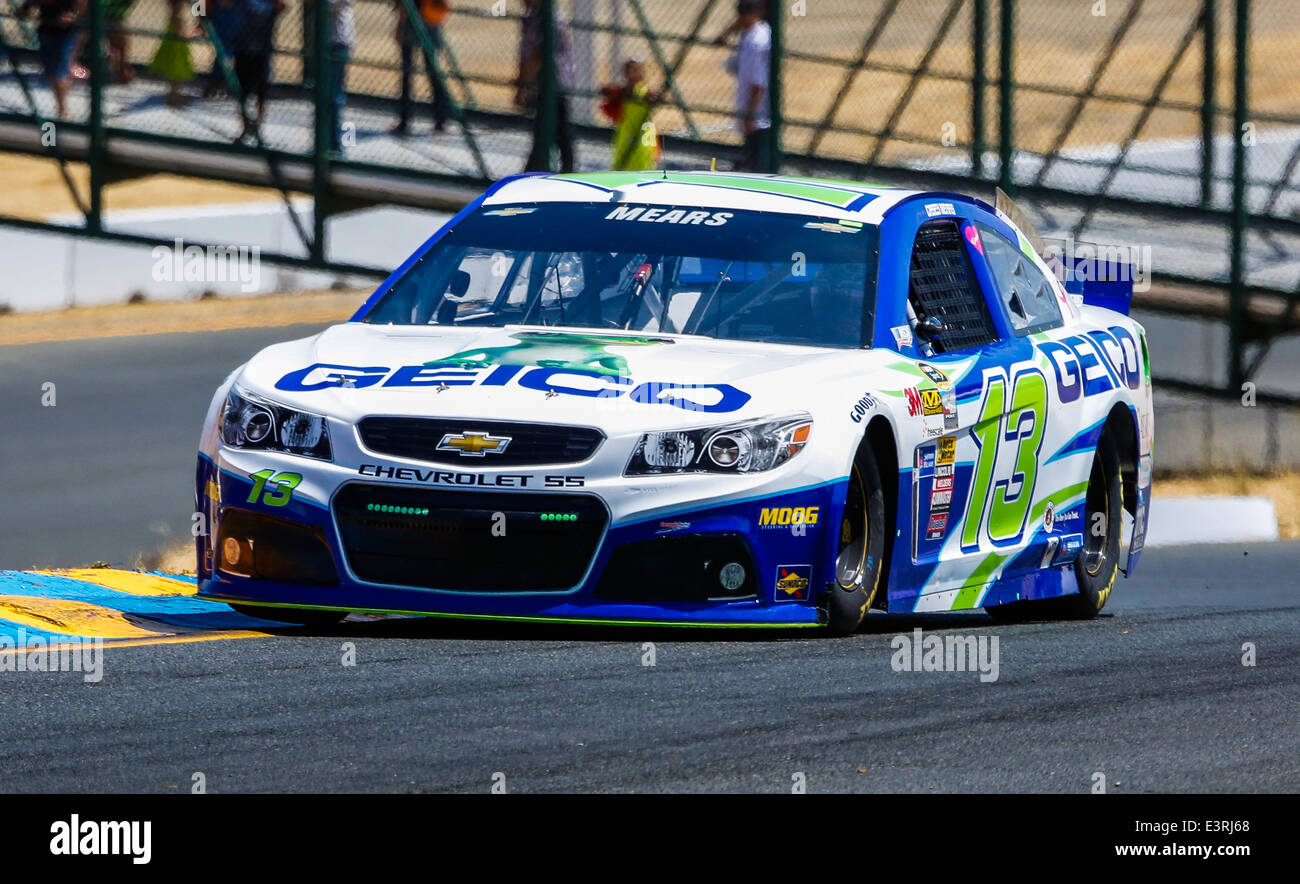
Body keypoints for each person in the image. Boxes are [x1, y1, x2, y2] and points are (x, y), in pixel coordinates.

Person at [515, 0, 574, 173]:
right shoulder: (531, 17)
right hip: (542, 84)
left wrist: (525, 86)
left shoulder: (548, 19)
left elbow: (537, 55)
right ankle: (533, 172)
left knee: (558, 131)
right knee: (546, 131)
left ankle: (564, 172)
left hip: (553, 83)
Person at [714, 0, 770, 172]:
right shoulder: (754, 33)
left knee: (757, 163)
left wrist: (750, 113)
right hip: (754, 110)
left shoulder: (756, 42)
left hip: (757, 112)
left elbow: (758, 84)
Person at [391, 0, 451, 136]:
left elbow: (404, 5)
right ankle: (440, 119)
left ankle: (405, 120)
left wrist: (400, 26)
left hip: (412, 21)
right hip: (430, 20)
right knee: (433, 72)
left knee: (408, 73)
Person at [19, 0, 85, 119]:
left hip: (65, 34)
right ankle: (61, 105)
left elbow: (82, 6)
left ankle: (62, 109)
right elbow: (29, 6)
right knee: (52, 72)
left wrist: (73, 16)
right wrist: (26, 8)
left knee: (59, 73)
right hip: (46, 31)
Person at [233, 0, 283, 142]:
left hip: (262, 52)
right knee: (241, 91)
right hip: (243, 50)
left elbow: (282, 7)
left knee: (262, 92)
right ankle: (245, 127)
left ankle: (258, 128)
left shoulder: (270, 4)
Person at [599, 57, 660, 171]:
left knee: (643, 170)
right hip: (625, 136)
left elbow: (656, 98)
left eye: (637, 71)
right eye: (631, 71)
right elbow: (605, 94)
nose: (634, 75)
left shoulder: (645, 93)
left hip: (643, 139)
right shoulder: (622, 92)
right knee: (621, 169)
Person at [150, 0, 196, 108]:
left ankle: (173, 94)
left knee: (173, 74)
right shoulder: (177, 17)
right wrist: (194, 33)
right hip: (177, 49)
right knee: (176, 74)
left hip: (172, 47)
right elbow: (182, 33)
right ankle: (174, 96)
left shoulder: (172, 15)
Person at [202, 0, 245, 97]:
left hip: (235, 13)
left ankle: (218, 83)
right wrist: (200, 22)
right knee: (224, 51)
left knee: (230, 51)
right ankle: (216, 83)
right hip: (222, 13)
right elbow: (201, 4)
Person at [104, 0, 135, 84]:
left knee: (121, 47)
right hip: (108, 16)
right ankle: (118, 71)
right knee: (116, 47)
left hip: (116, 17)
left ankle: (122, 71)